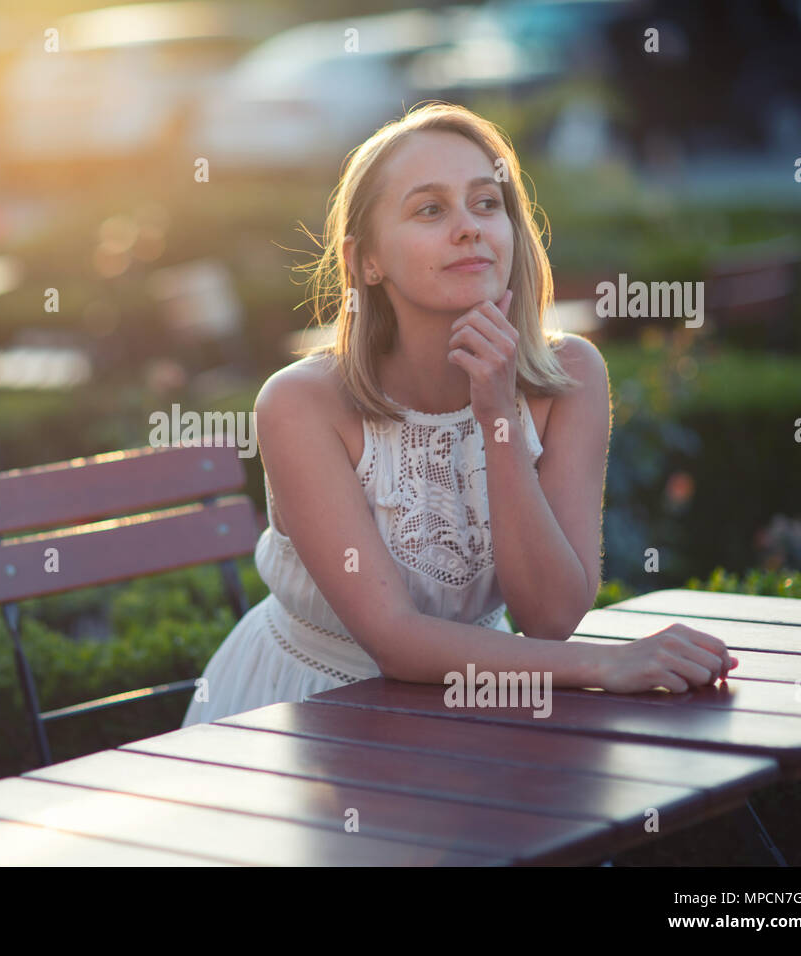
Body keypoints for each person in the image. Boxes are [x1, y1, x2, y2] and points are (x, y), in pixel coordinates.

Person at [181, 102, 736, 728]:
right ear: (368, 260)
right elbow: (393, 641)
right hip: (308, 710)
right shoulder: (301, 403)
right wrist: (603, 665)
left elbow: (550, 618)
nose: (470, 227)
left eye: (486, 203)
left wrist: (498, 415)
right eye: (429, 209)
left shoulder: (572, 377)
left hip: (487, 699)